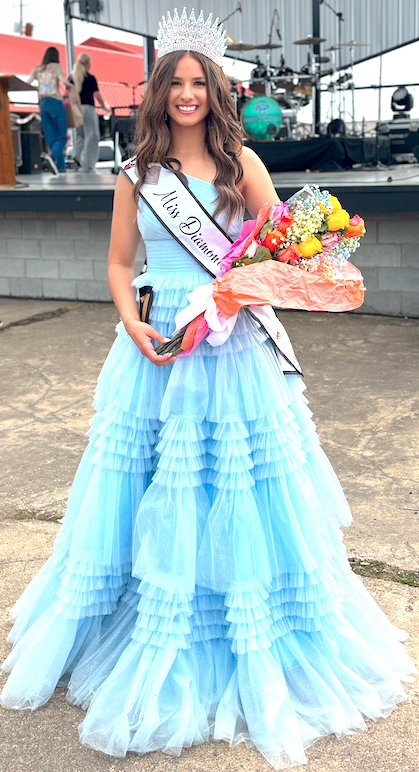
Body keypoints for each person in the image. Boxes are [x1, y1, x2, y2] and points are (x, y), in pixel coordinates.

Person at [1, 9, 415, 770]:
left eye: (199, 83)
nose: (187, 95)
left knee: (233, 484)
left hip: (231, 353)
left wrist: (244, 290)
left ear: (216, 92)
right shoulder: (135, 175)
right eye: (176, 84)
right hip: (159, 351)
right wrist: (129, 324)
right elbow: (121, 265)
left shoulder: (243, 164)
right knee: (149, 484)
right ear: (157, 94)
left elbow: (287, 251)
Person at [27, 47, 71, 173]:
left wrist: (39, 88)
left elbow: (28, 83)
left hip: (42, 104)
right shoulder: (56, 67)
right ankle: (51, 157)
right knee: (62, 136)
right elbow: (64, 81)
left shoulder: (38, 69)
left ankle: (60, 167)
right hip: (55, 102)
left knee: (52, 138)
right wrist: (72, 86)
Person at [69, 53, 110, 172]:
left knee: (80, 136)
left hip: (76, 109)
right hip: (88, 108)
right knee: (92, 136)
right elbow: (97, 95)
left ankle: (76, 156)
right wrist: (105, 106)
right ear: (87, 63)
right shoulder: (90, 78)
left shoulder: (72, 77)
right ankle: (88, 164)